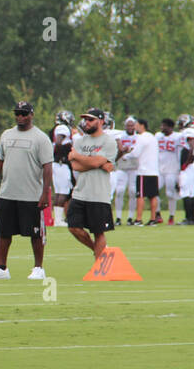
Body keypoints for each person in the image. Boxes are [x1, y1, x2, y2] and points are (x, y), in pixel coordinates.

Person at [0, 101, 53, 280]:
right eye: (18, 113)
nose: (20, 117)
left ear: (31, 115)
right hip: (7, 193)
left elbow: (47, 167)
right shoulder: (7, 134)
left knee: (36, 233)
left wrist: (45, 192)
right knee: (4, 232)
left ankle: (38, 268)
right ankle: (2, 268)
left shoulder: (40, 138)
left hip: (31, 195)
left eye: (24, 113)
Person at [66, 108, 118, 259]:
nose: (86, 122)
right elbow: (76, 166)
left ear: (101, 121)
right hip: (80, 192)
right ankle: (98, 250)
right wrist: (96, 162)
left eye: (90, 119)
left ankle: (98, 264)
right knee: (73, 227)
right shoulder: (80, 140)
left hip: (99, 194)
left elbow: (96, 162)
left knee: (98, 231)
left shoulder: (108, 141)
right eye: (85, 119)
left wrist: (77, 156)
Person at [131, 118, 159, 225]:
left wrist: (125, 155)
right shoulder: (152, 137)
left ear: (142, 125)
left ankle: (138, 219)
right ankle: (153, 219)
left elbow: (135, 153)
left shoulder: (141, 137)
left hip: (144, 171)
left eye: (136, 124)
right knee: (153, 196)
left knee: (140, 195)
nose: (135, 127)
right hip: (154, 171)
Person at [112, 115, 139, 224]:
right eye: (128, 125)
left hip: (134, 166)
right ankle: (118, 217)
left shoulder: (139, 137)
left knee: (133, 191)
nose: (129, 127)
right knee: (120, 191)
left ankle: (130, 217)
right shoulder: (120, 135)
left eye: (132, 125)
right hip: (122, 165)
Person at [50, 112, 75, 227]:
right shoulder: (62, 128)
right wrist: (67, 149)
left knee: (59, 192)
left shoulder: (55, 129)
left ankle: (58, 219)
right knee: (63, 192)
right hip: (61, 163)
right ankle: (58, 220)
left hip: (56, 163)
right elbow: (59, 142)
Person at [156, 119, 181, 224]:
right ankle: (157, 214)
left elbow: (179, 154)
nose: (162, 128)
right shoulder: (157, 136)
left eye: (164, 126)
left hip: (172, 170)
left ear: (170, 127)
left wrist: (179, 173)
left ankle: (171, 215)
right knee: (154, 191)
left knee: (170, 194)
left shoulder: (177, 137)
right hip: (159, 169)